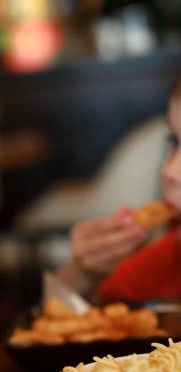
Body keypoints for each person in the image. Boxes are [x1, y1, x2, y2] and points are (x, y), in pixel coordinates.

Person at [55, 78, 181, 303]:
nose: (169, 171)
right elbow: (53, 316)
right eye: (174, 142)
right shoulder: (168, 262)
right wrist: (83, 273)